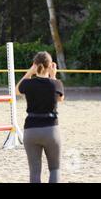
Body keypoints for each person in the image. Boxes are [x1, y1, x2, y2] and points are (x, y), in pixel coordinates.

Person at [16, 51, 65, 183]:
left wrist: (29, 72)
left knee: (35, 172)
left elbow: (16, 90)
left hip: (31, 130)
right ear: (50, 66)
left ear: (34, 65)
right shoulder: (55, 84)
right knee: (55, 169)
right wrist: (53, 76)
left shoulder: (28, 84)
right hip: (51, 130)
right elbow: (60, 98)